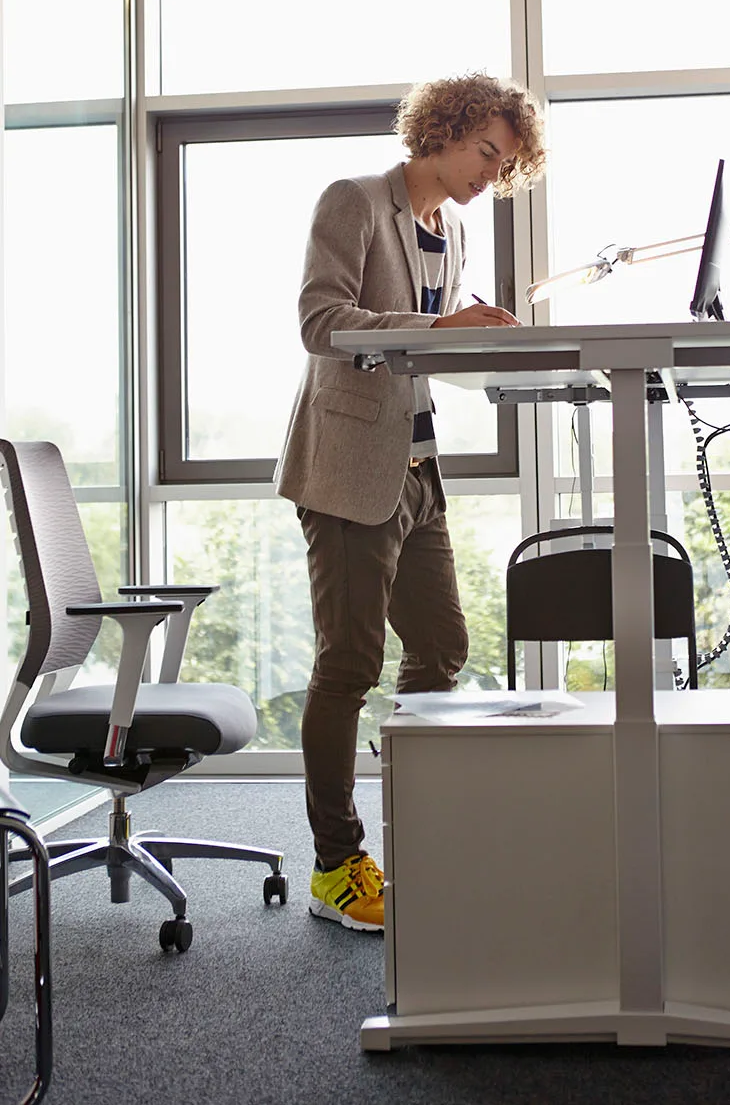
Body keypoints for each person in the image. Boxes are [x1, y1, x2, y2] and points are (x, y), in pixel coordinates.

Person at [275, 73, 546, 931]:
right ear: (446, 128)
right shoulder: (353, 201)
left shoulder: (454, 227)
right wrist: (441, 329)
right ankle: (335, 865)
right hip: (350, 465)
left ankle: (414, 828)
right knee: (348, 664)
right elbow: (324, 324)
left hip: (419, 465)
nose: (488, 174)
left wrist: (486, 338)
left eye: (505, 165)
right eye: (485, 153)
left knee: (441, 646)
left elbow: (422, 346)